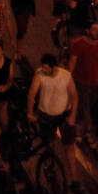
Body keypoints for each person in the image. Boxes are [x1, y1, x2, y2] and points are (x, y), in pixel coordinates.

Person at [27, 52, 79, 184]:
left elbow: (75, 96)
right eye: (43, 67)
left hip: (63, 115)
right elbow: (32, 93)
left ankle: (74, 179)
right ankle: (49, 166)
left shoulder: (66, 76)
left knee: (69, 146)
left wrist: (72, 116)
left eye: (46, 68)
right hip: (46, 115)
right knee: (48, 143)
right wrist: (30, 113)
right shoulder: (40, 74)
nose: (43, 70)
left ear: (54, 67)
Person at [69, 21, 98, 144]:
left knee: (88, 108)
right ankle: (89, 134)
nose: (97, 32)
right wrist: (68, 78)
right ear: (87, 30)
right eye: (94, 29)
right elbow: (72, 62)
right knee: (86, 109)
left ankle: (79, 129)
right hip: (82, 82)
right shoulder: (78, 43)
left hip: (97, 83)